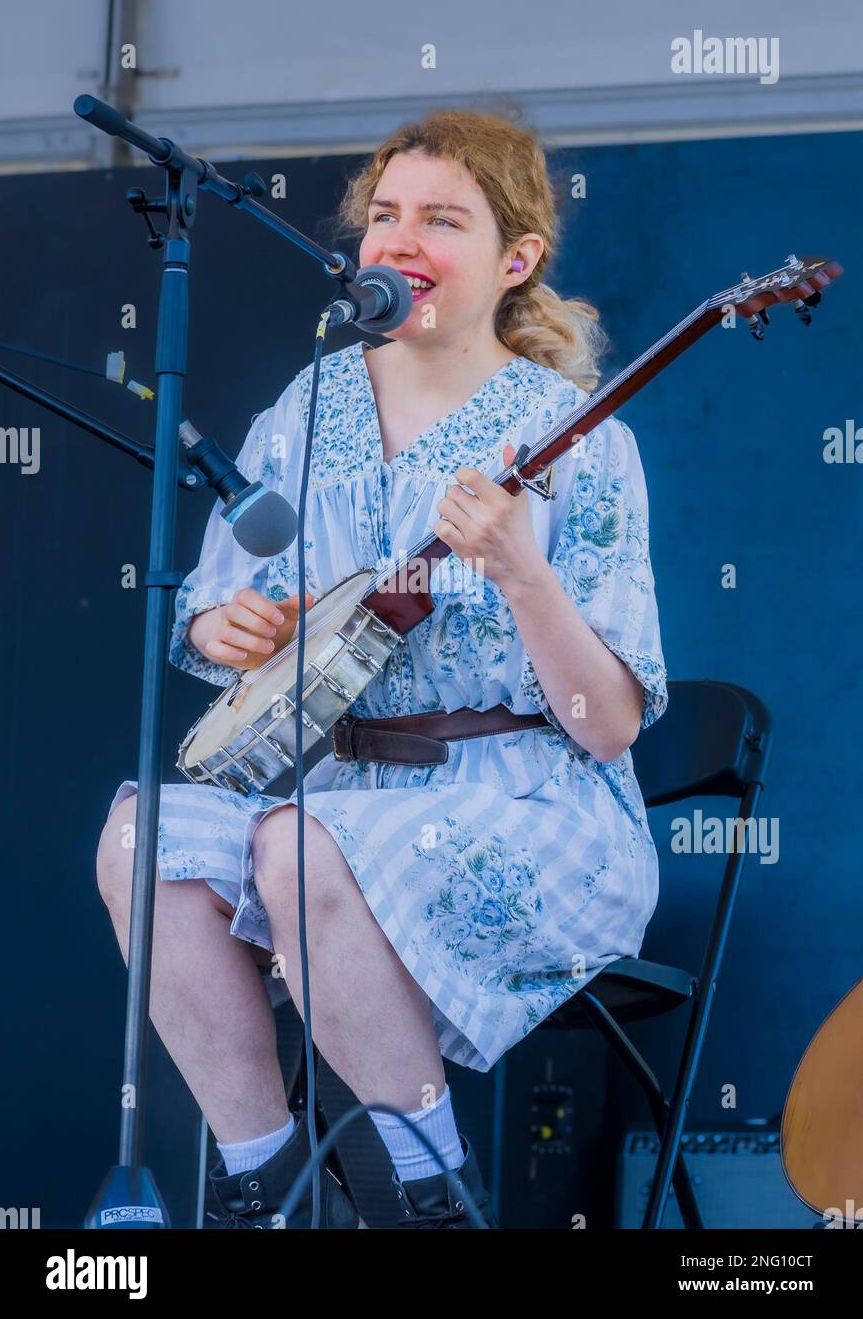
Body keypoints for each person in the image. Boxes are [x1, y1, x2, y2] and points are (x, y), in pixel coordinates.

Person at [95, 107, 667, 1230]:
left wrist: (519, 570)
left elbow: (606, 724)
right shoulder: (308, 409)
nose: (401, 241)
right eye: (385, 216)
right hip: (333, 800)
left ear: (515, 261)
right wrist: (232, 629)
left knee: (296, 847)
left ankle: (427, 1189)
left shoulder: (578, 434)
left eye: (442, 220)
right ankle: (264, 1173)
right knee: (140, 839)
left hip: (530, 800)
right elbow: (218, 610)